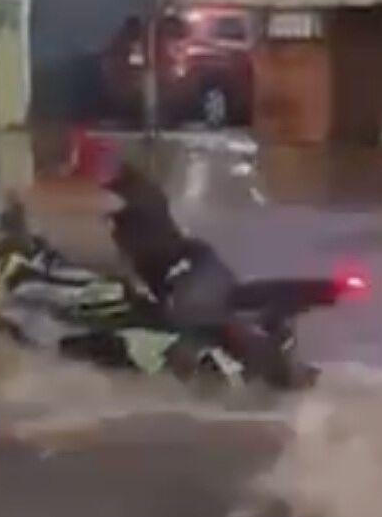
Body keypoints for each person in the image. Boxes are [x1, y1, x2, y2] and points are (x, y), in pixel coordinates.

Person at [17, 127, 276, 378]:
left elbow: (90, 201)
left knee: (190, 326)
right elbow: (91, 236)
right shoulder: (120, 196)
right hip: (174, 277)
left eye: (86, 174)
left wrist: (25, 195)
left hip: (192, 270)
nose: (84, 181)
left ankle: (267, 365)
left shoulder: (133, 192)